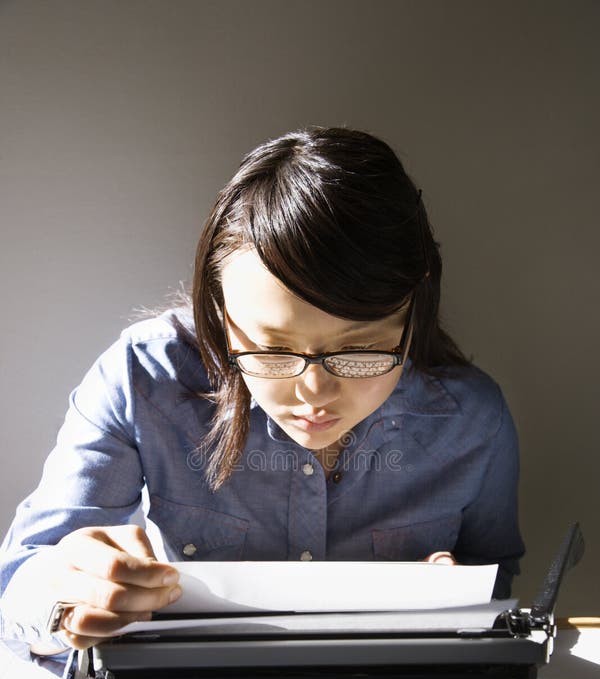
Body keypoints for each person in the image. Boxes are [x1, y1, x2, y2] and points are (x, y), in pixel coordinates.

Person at [0, 126, 524, 652]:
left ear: (416, 312)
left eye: (360, 350)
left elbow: (495, 579)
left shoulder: (472, 420)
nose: (314, 391)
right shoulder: (144, 378)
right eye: (273, 349)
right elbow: (20, 582)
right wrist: (63, 601)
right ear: (218, 311)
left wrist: (459, 598)